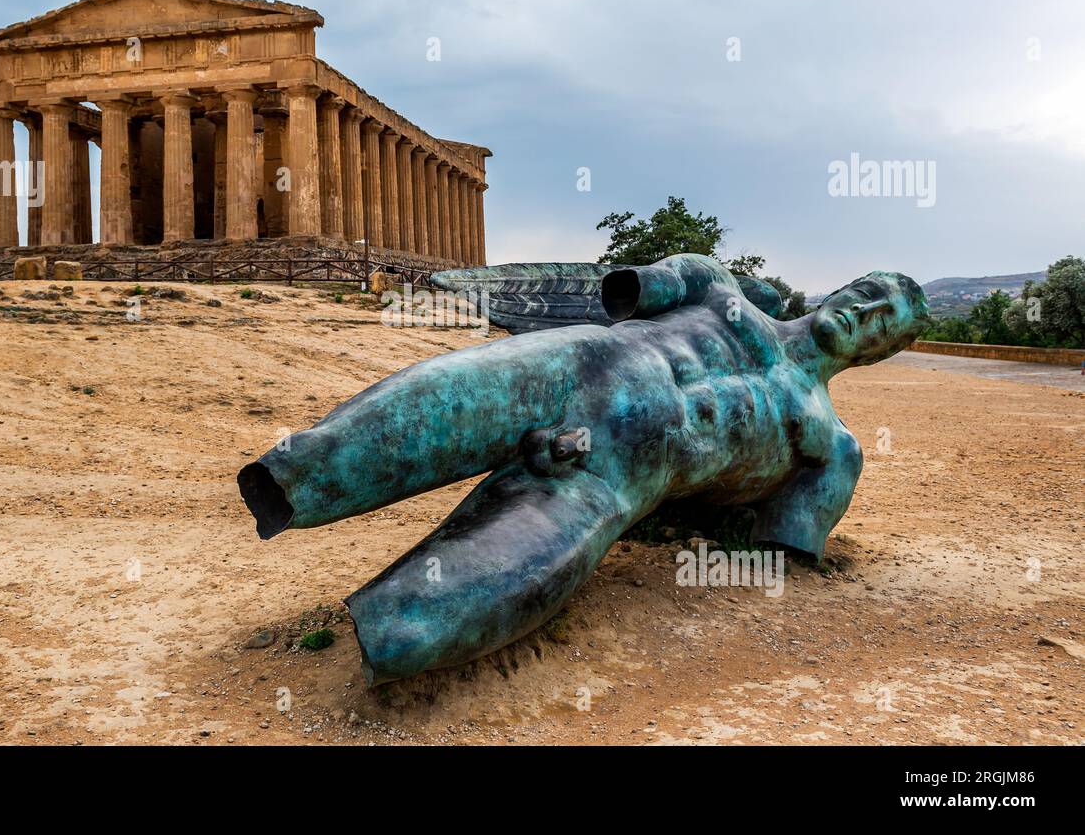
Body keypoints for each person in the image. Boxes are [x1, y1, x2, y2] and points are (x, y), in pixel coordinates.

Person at [239, 253, 929, 684]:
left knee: (431, 618)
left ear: (882, 351)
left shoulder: (832, 446)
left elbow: (770, 541)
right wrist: (670, 276)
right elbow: (627, 289)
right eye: (867, 291)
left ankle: (379, 635)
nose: (862, 311)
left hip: (616, 476)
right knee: (418, 408)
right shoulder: (722, 289)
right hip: (574, 365)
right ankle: (289, 484)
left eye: (883, 321)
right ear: (845, 284)